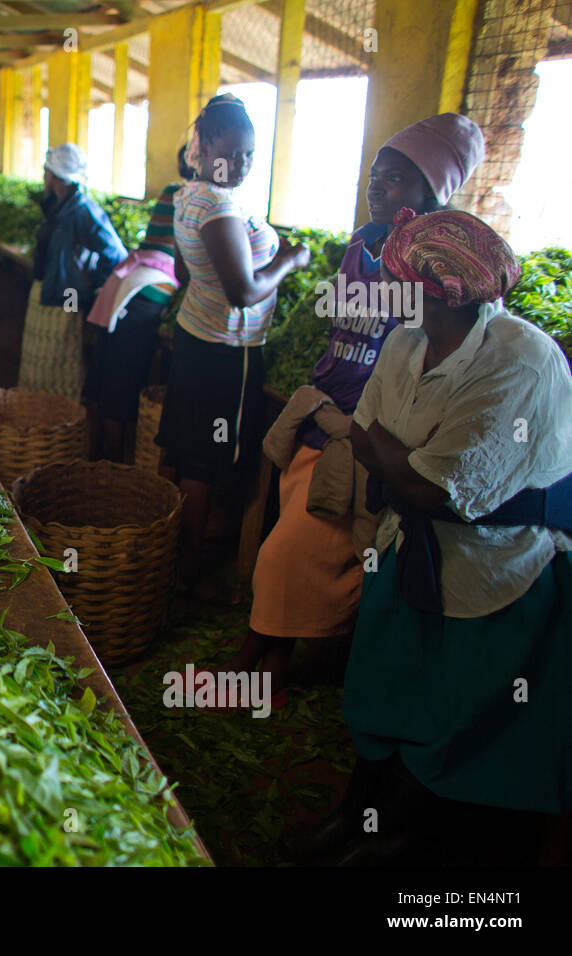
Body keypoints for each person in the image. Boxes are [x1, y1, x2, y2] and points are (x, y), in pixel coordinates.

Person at [287, 209, 572, 865]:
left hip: (495, 572)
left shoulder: (521, 362)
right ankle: (361, 826)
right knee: (386, 693)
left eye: (395, 282)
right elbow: (362, 437)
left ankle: (419, 845)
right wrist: (401, 459)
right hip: (408, 547)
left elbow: (438, 493)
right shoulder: (405, 342)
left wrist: (398, 457)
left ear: (435, 291)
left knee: (465, 718)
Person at [220, 113, 485, 698]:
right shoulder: (356, 247)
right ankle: (270, 657)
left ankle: (261, 656)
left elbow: (427, 360)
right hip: (322, 418)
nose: (376, 187)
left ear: (429, 198)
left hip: (365, 432)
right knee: (290, 542)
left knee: (295, 551)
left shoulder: (432, 274)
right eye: (375, 176)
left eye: (394, 180)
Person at [155, 93, 310, 602]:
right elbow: (244, 292)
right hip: (228, 348)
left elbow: (183, 272)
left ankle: (164, 554)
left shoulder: (188, 194)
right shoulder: (220, 206)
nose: (240, 164)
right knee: (204, 463)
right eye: (231, 153)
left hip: (196, 335)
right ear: (205, 145)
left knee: (182, 451)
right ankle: (190, 575)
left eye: (249, 155)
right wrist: (290, 259)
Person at [82, 146, 194, 461]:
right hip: (148, 290)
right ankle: (111, 464)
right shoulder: (200, 201)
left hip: (124, 283)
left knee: (103, 371)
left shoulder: (170, 191)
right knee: (122, 381)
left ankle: (91, 454)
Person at [17, 144, 127, 401]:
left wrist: (91, 283)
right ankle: (37, 415)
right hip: (45, 293)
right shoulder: (57, 205)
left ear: (56, 175)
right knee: (38, 366)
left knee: (57, 368)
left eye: (46, 170)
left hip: (63, 300)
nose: (43, 175)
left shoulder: (82, 210)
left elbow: (114, 251)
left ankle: (61, 421)